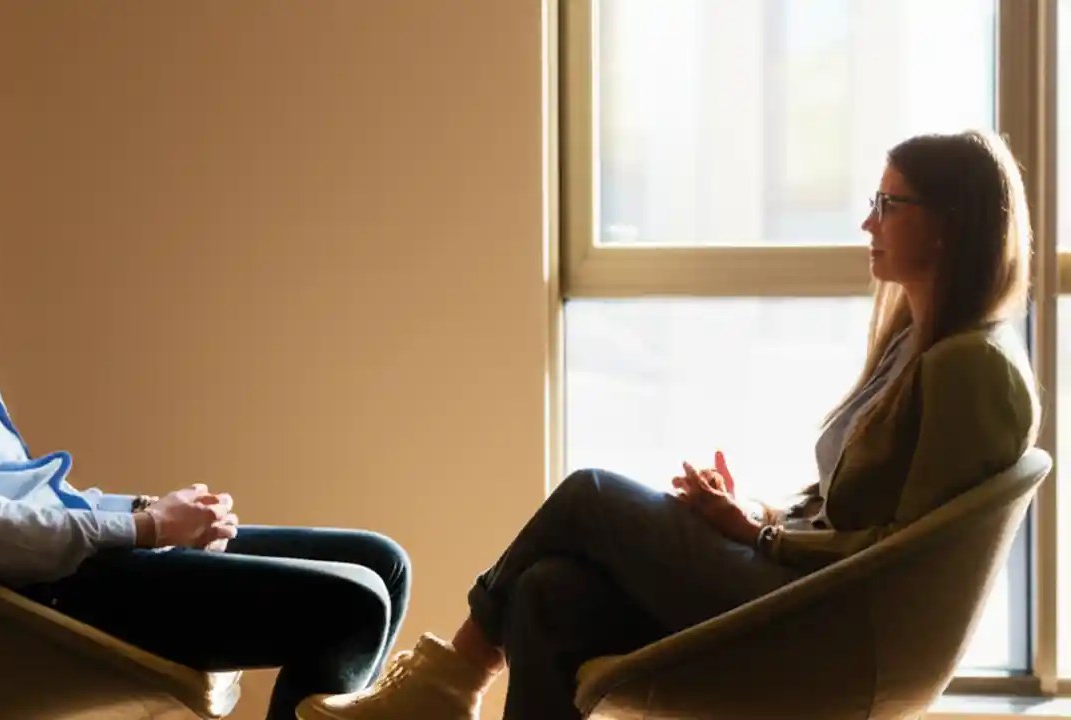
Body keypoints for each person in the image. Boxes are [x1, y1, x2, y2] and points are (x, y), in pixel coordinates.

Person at [295, 128, 1041, 720]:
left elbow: (900, 558)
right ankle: (447, 690)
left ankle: (447, 685)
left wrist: (760, 538)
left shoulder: (968, 368)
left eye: (889, 204)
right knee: (547, 593)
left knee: (588, 492)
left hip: (834, 629)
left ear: (948, 226)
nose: (865, 221)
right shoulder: (915, 344)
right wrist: (755, 511)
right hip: (807, 589)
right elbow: (853, 504)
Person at [0, 96, 410, 720]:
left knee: (382, 561)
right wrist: (146, 529)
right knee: (352, 604)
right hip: (34, 603)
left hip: (63, 568)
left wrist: (150, 511)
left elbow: (16, 496)